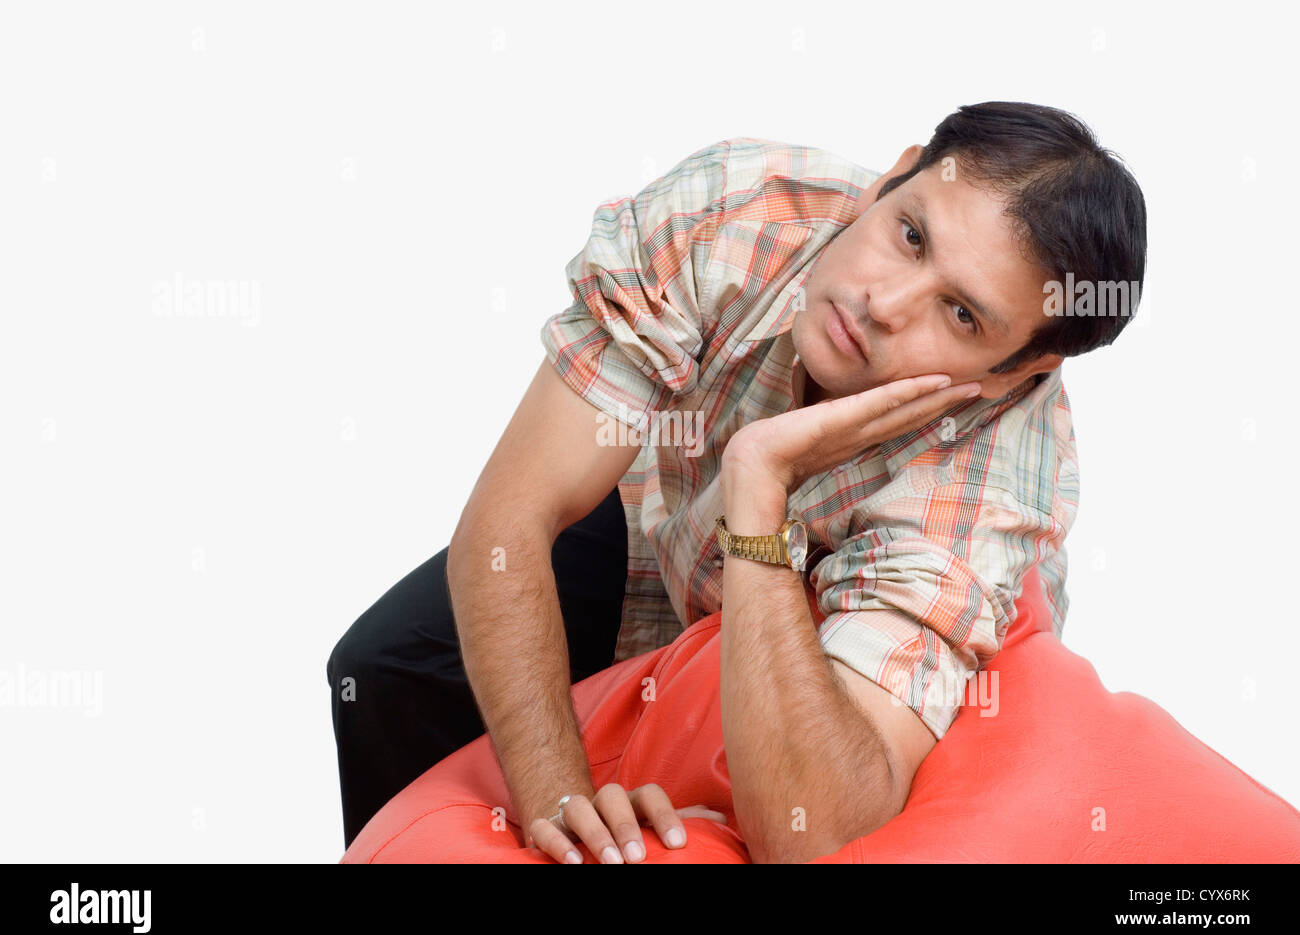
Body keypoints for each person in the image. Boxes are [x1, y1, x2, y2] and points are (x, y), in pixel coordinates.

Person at [327, 101, 1147, 861]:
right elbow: (509, 517)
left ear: (1018, 370)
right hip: (671, 528)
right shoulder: (734, 210)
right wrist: (558, 801)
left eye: (961, 314)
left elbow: (819, 833)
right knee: (386, 668)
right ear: (898, 173)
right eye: (909, 235)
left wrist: (761, 479)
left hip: (866, 653)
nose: (884, 304)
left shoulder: (995, 483)